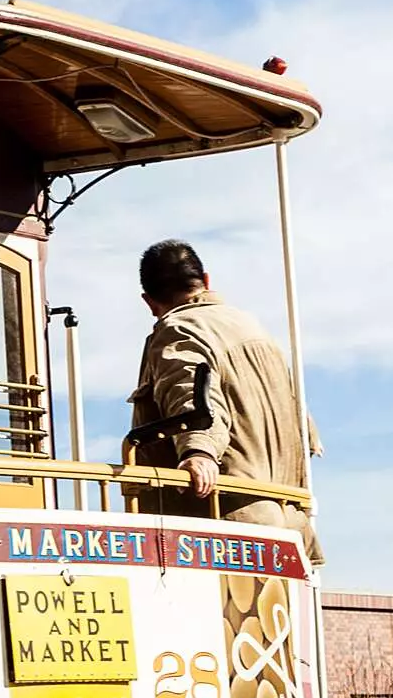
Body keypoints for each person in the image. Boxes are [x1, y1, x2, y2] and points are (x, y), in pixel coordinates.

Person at [128, 239, 323, 557]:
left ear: (148, 301)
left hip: (231, 531)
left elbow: (192, 393)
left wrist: (198, 451)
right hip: (291, 527)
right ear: (205, 281)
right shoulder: (253, 328)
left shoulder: (179, 329)